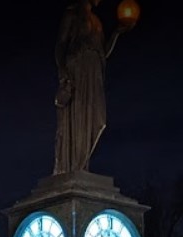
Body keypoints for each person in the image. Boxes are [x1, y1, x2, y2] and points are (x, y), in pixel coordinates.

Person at [53, 0, 134, 175]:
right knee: (78, 112)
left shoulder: (97, 20)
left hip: (95, 70)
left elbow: (103, 52)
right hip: (77, 65)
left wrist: (117, 33)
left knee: (98, 119)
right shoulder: (72, 15)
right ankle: (74, 166)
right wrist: (63, 72)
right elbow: (60, 45)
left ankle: (80, 166)